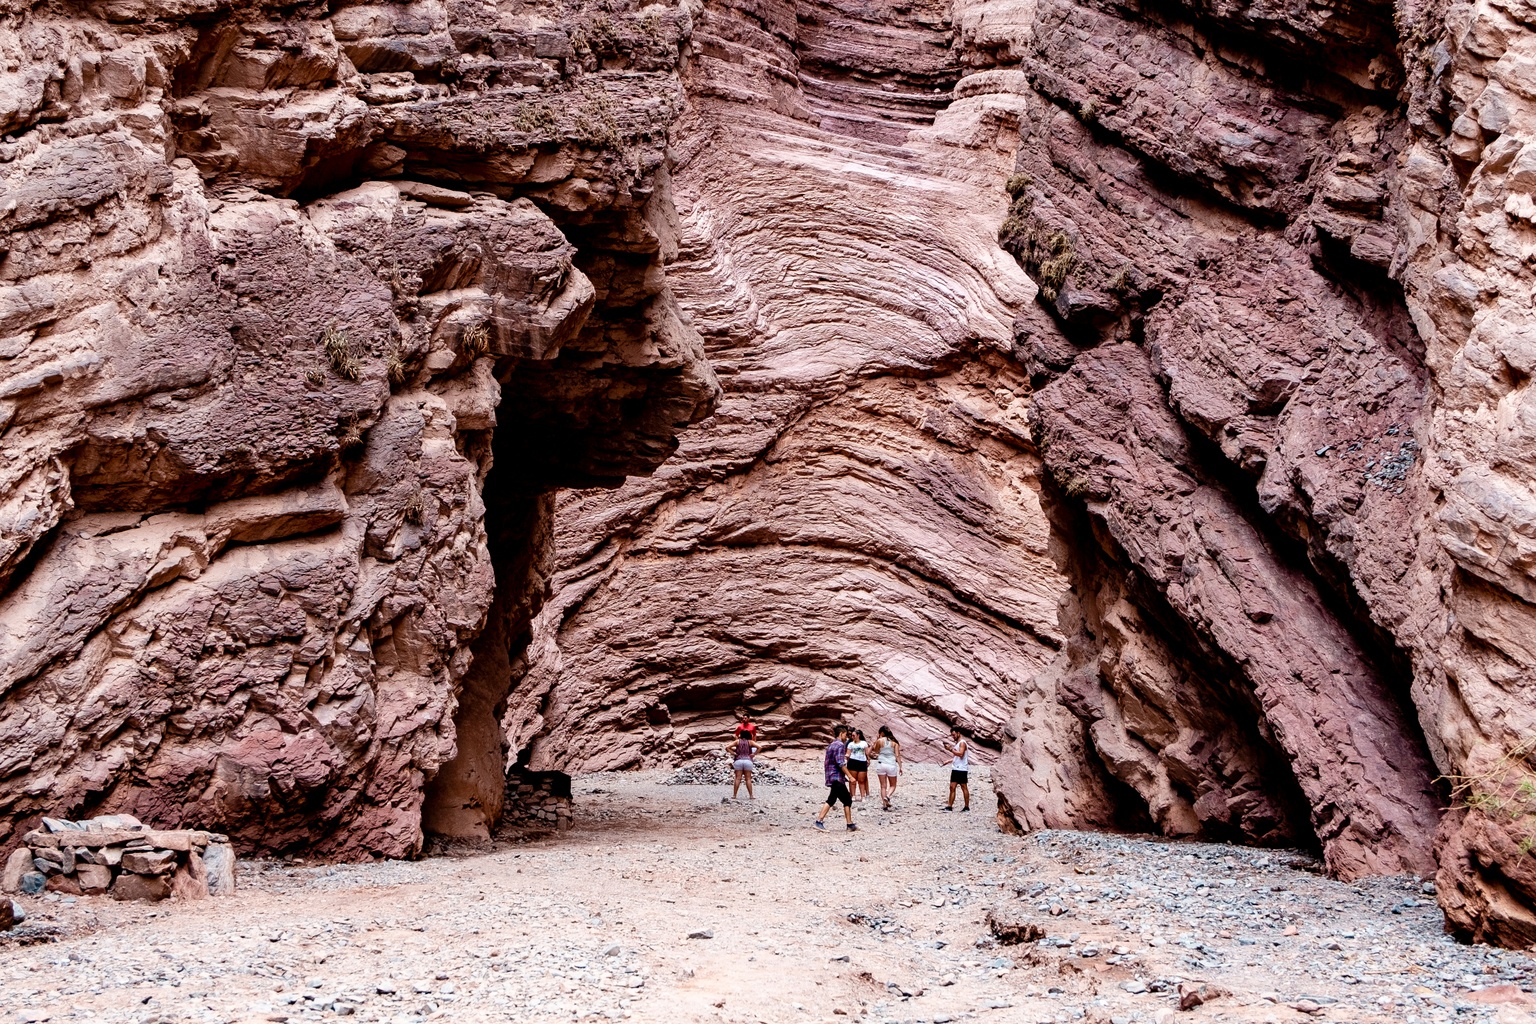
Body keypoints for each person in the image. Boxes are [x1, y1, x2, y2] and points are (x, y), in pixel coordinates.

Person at [814, 725, 858, 832]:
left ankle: (850, 824)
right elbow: (840, 763)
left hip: (832, 775)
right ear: (841, 733)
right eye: (846, 734)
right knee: (832, 799)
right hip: (836, 777)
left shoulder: (831, 745)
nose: (846, 737)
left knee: (847, 799)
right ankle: (819, 821)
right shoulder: (839, 745)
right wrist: (850, 776)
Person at [870, 725, 903, 810]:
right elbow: (897, 755)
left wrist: (877, 740)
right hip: (891, 764)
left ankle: (884, 804)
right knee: (893, 785)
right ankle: (887, 796)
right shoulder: (894, 742)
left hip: (881, 764)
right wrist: (900, 767)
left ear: (881, 733)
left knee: (883, 786)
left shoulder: (880, 741)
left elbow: (876, 751)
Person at [727, 728, 759, 800]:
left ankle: (734, 795)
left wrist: (734, 753)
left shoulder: (737, 741)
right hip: (748, 761)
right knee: (748, 779)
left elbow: (727, 747)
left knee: (738, 778)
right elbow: (760, 747)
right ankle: (751, 796)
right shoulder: (750, 742)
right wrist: (754, 754)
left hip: (738, 760)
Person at [943, 727, 970, 811]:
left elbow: (961, 754)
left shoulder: (962, 743)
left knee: (963, 787)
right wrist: (949, 761)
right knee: (952, 787)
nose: (953, 737)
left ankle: (966, 806)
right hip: (955, 768)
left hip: (962, 769)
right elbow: (957, 757)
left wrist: (950, 749)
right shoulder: (958, 743)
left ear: (958, 733)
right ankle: (949, 806)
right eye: (952, 735)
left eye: (954, 735)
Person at [845, 729, 870, 802]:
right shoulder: (850, 744)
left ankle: (863, 796)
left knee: (861, 780)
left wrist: (868, 759)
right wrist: (846, 756)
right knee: (853, 780)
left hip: (862, 762)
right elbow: (848, 753)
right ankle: (853, 795)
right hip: (853, 762)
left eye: (854, 735)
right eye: (852, 735)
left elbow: (867, 752)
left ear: (858, 735)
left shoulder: (864, 743)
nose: (852, 737)